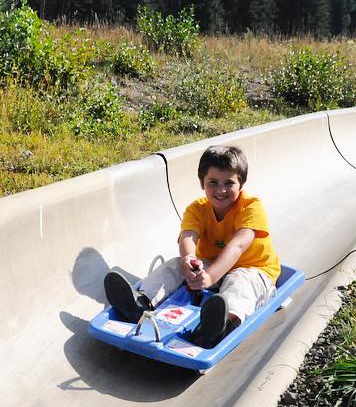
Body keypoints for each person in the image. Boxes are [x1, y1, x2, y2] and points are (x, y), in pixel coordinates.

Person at [103, 145, 281, 349]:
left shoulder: (251, 206)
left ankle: (218, 326)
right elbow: (188, 235)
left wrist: (211, 276)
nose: (221, 190)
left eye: (229, 183)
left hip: (254, 269)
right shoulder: (197, 209)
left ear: (241, 183)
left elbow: (238, 245)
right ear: (202, 183)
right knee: (176, 265)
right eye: (213, 182)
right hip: (212, 265)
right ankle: (140, 304)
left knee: (240, 283)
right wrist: (188, 259)